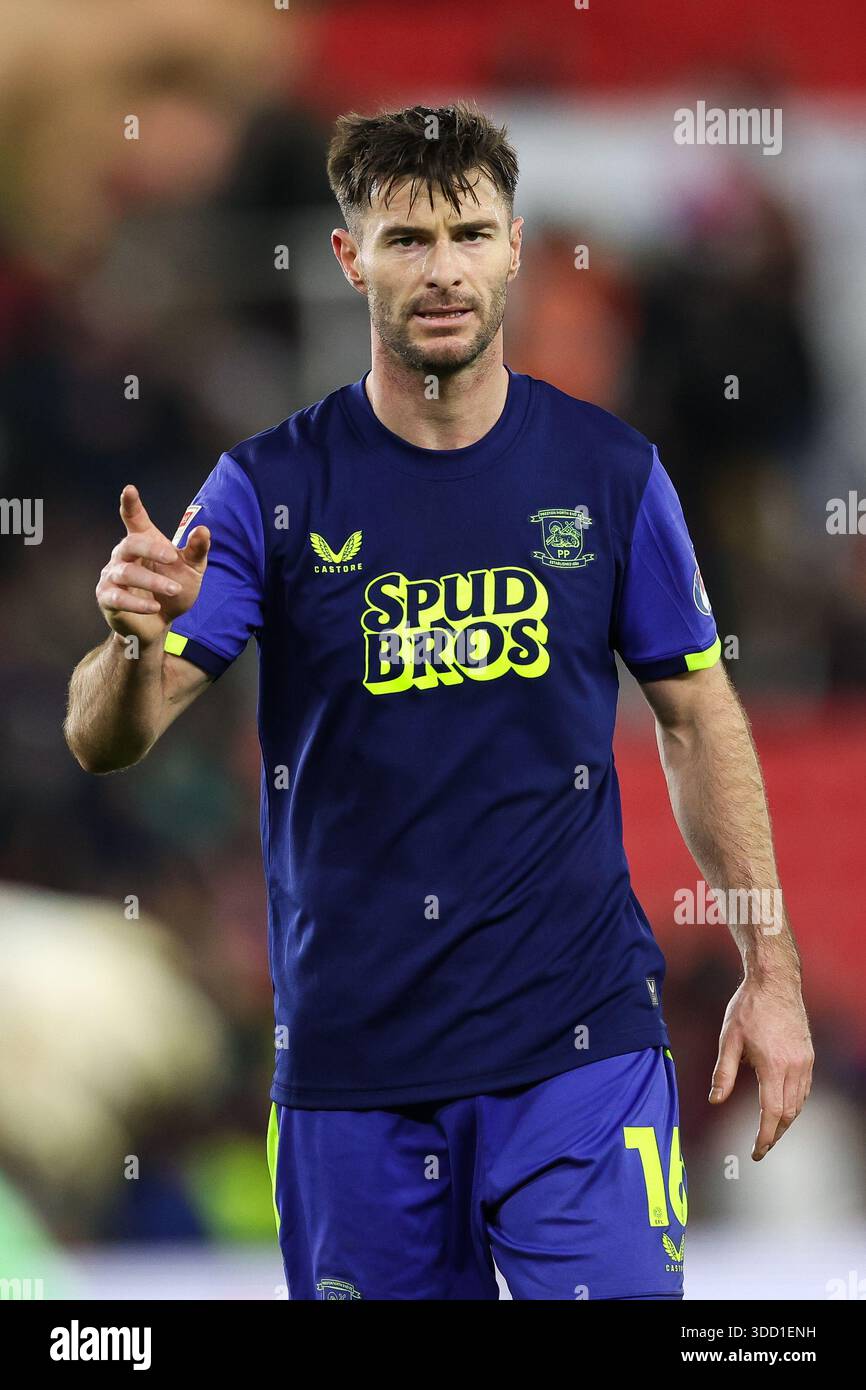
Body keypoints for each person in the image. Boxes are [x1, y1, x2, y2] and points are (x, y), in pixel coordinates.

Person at [64, 102, 813, 1301]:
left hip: (578, 1044)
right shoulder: (267, 488)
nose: (444, 269)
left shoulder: (609, 475)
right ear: (349, 258)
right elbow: (115, 733)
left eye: (468, 233)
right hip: (355, 1068)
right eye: (407, 239)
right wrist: (121, 639)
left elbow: (696, 715)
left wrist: (766, 970)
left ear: (514, 244)